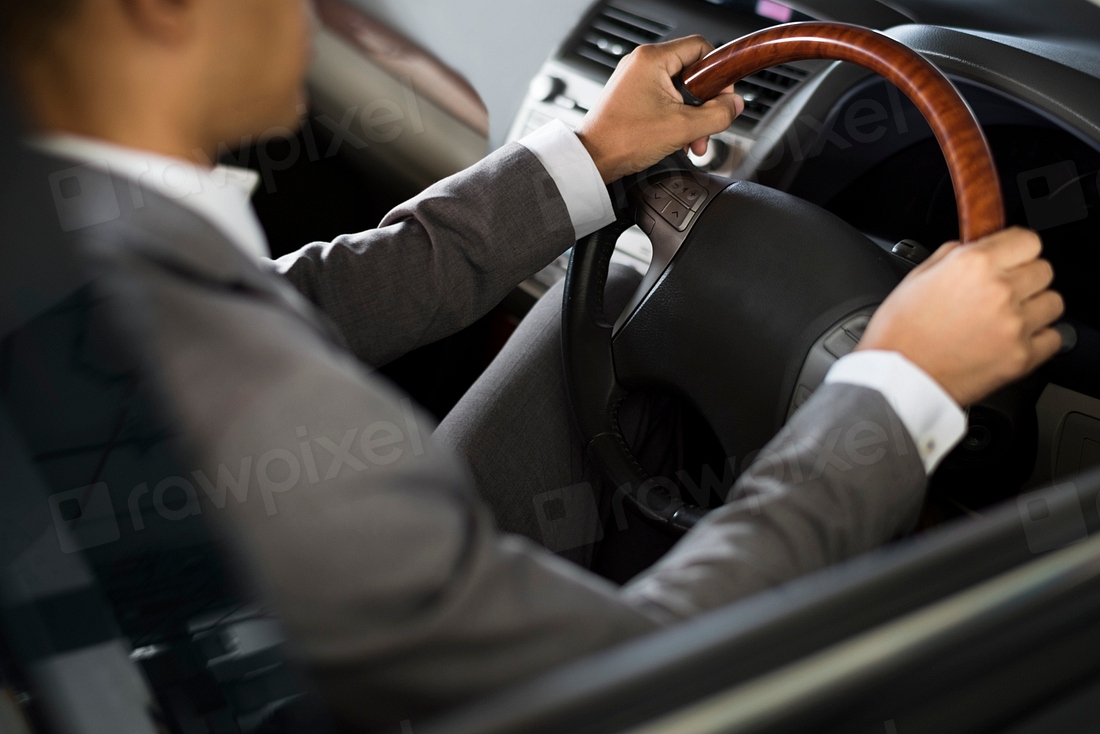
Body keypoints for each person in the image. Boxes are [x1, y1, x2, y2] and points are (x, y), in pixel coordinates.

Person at [1, 0, 1064, 729]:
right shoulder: (227, 397)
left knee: (603, 299)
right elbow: (635, 682)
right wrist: (895, 387)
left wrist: (589, 155)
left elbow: (307, 300)